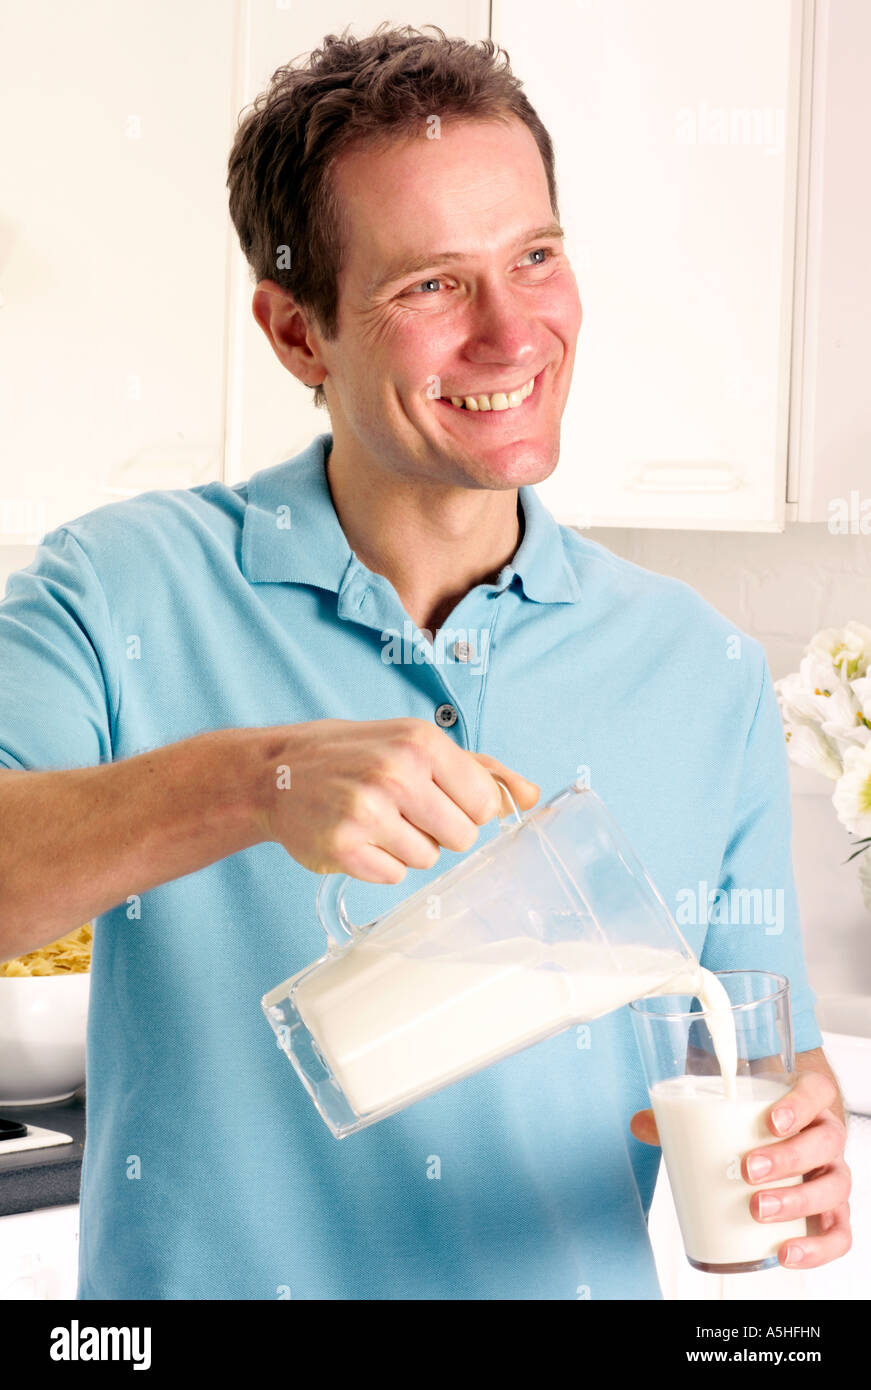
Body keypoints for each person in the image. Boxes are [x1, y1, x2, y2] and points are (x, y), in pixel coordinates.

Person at [0, 24, 850, 1300]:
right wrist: (255, 782)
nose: (513, 334)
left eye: (536, 256)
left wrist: (800, 1128)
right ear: (297, 333)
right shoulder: (120, 585)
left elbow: (747, 1036)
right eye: (431, 286)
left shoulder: (700, 667)